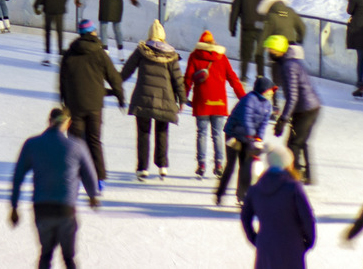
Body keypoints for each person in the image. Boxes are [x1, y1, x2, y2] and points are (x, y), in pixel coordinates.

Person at [10, 107, 100, 269]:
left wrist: (14, 206)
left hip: (42, 209)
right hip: (65, 210)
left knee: (46, 254)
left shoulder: (32, 144)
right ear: (68, 123)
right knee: (68, 258)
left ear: (49, 121)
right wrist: (93, 195)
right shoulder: (76, 146)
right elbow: (90, 175)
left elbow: (17, 177)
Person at [59, 18, 126, 185]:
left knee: (75, 141)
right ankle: (99, 178)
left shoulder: (69, 53)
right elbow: (114, 77)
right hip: (95, 105)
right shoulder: (99, 52)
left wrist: (65, 102)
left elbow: (62, 80)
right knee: (94, 140)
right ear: (92, 32)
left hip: (75, 105)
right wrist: (120, 97)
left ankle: (74, 175)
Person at [121, 19, 185, 180]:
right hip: (165, 99)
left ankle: (143, 168)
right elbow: (177, 79)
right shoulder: (171, 55)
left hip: (143, 98)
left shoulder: (141, 50)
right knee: (162, 131)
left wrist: (115, 83)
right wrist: (182, 99)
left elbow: (127, 70)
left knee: (143, 133)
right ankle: (162, 165)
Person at [240, 145, 316, 269]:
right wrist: (307, 242)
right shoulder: (293, 187)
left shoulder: (256, 188)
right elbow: (307, 217)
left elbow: (245, 217)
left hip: (265, 244)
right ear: (287, 164)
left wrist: (256, 239)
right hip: (292, 244)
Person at [184, 30, 245, 178]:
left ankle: (202, 163)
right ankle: (218, 164)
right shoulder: (221, 57)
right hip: (218, 103)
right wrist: (243, 97)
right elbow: (232, 78)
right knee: (217, 135)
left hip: (202, 102)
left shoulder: (194, 56)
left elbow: (188, 79)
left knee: (202, 134)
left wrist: (183, 97)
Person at [266, 35, 322, 185]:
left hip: (306, 109)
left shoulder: (288, 66)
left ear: (278, 50)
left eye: (271, 50)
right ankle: (306, 176)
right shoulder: (291, 62)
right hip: (310, 107)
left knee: (293, 145)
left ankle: (294, 178)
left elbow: (293, 97)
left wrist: (283, 119)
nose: (269, 53)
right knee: (300, 141)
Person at [216, 77, 276, 207]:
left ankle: (242, 196)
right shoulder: (249, 99)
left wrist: (259, 138)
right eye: (270, 90)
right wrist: (251, 137)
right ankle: (220, 194)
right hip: (233, 135)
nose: (271, 93)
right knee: (231, 166)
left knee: (246, 166)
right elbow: (246, 119)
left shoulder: (267, 104)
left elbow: (264, 123)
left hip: (248, 137)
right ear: (262, 90)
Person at [229, 0, 273, 80]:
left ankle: (243, 76)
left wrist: (232, 27)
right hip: (262, 26)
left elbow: (235, 10)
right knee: (260, 54)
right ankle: (260, 75)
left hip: (247, 26)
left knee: (245, 54)